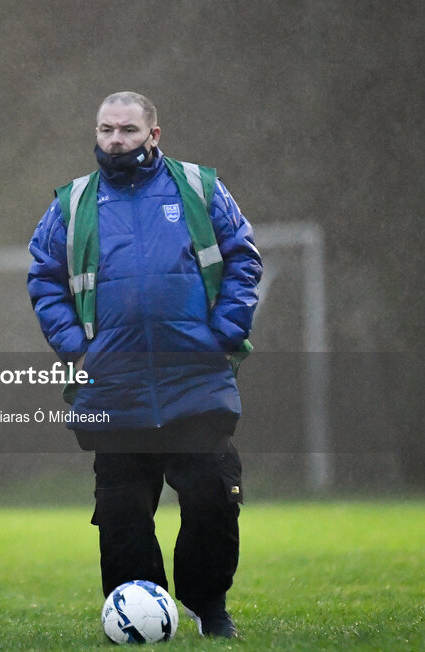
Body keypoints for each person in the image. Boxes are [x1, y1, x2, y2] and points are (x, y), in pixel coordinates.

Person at [28, 92, 261, 638]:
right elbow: (43, 275)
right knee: (122, 518)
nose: (116, 140)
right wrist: (74, 347)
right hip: (113, 390)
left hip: (196, 381)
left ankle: (209, 607)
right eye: (107, 129)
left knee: (212, 498)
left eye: (128, 131)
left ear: (154, 135)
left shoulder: (199, 188)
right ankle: (140, 615)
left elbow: (242, 258)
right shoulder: (72, 203)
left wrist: (226, 331)